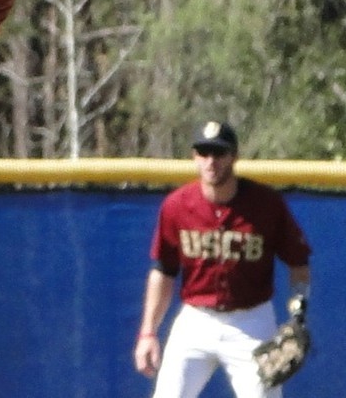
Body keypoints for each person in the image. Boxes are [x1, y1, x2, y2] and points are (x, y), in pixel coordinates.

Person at [133, 120, 314, 398]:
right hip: (196, 320)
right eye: (203, 153)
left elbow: (298, 262)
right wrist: (148, 332)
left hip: (251, 321)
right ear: (194, 156)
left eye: (219, 153)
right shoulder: (177, 206)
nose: (211, 161)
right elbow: (163, 270)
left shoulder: (266, 204)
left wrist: (298, 313)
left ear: (234, 156)